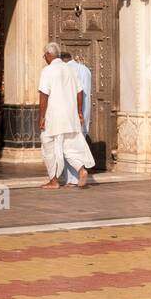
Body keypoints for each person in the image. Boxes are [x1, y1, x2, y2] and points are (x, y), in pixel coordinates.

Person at [38, 41, 95, 189]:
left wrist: (42, 117)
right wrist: (79, 112)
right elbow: (79, 92)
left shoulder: (47, 71)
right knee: (69, 147)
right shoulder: (70, 70)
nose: (44, 58)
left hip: (54, 116)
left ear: (49, 55)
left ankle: (54, 180)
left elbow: (44, 95)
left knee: (49, 147)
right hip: (70, 116)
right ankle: (81, 169)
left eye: (45, 55)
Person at [60, 52, 93, 185]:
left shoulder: (66, 70)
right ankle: (77, 175)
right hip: (83, 114)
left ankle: (72, 179)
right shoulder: (85, 70)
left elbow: (76, 93)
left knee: (67, 146)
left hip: (70, 115)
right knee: (78, 145)